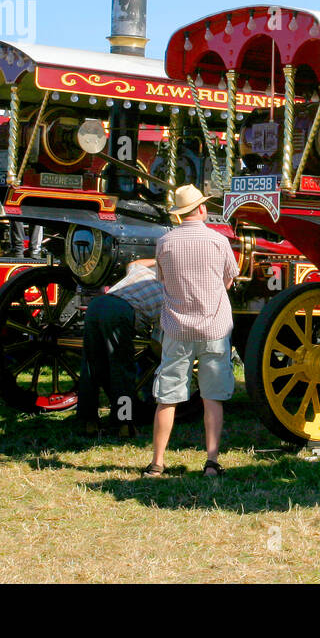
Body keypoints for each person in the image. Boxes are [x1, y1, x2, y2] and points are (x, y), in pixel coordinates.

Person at [143, 184, 239, 478]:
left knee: (167, 397)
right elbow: (229, 280)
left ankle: (158, 462)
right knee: (212, 397)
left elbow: (163, 280)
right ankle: (211, 461)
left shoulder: (165, 242)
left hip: (177, 328)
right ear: (200, 209)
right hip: (213, 327)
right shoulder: (218, 241)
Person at [77, 258, 164, 437]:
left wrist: (159, 259)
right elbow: (157, 343)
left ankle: (88, 423)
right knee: (122, 370)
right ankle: (124, 424)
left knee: (90, 367)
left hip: (97, 305)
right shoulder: (169, 295)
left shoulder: (141, 272)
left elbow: (133, 263)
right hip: (120, 313)